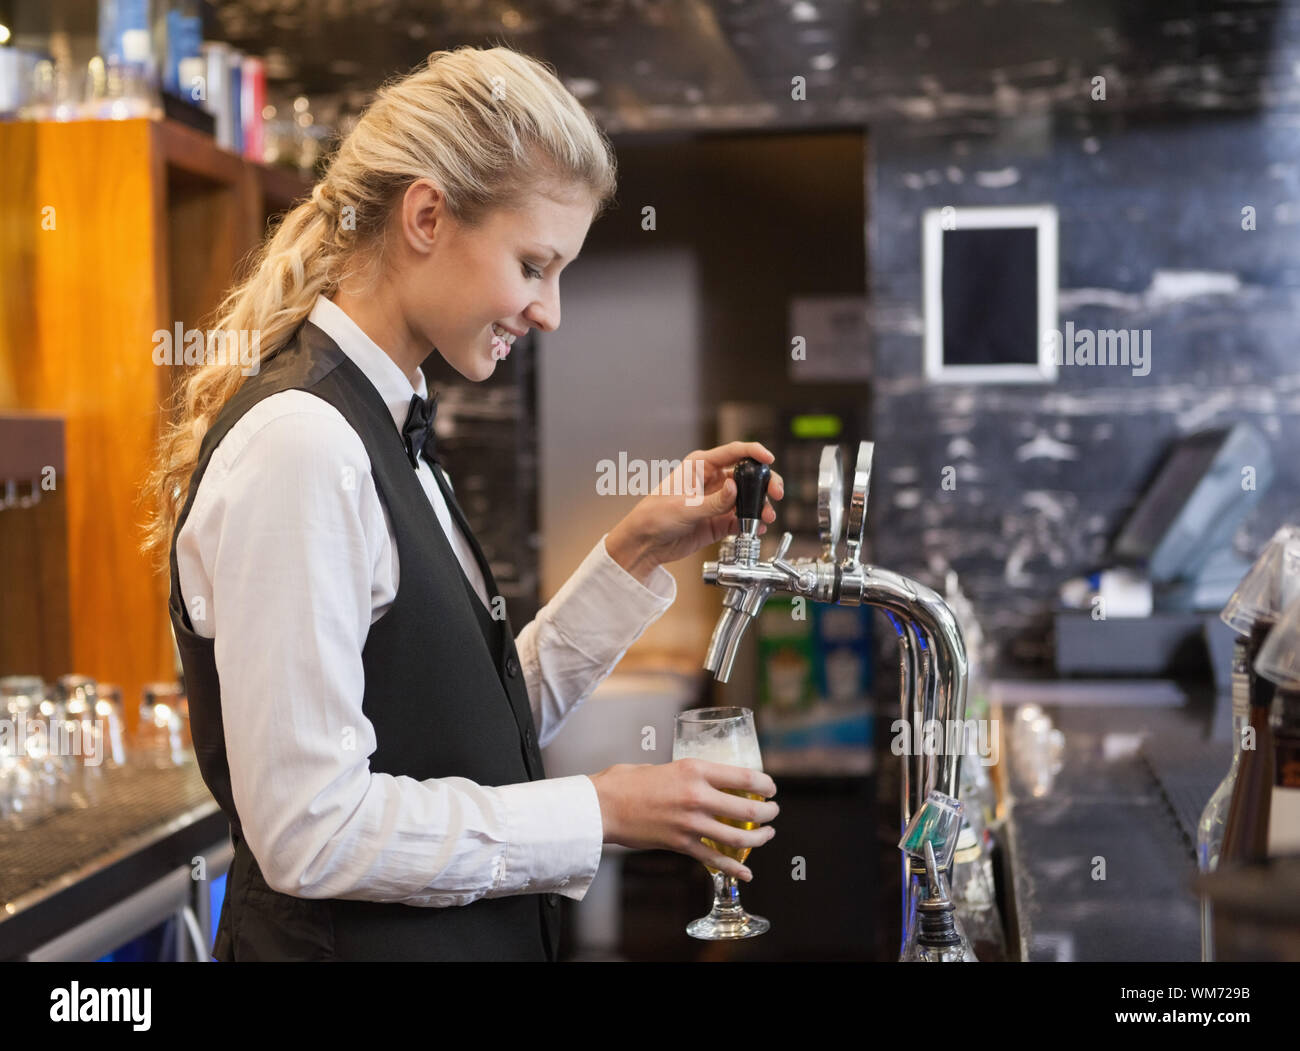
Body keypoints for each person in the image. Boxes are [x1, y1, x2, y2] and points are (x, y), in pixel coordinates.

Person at [139, 44, 784, 961]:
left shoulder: (387, 422)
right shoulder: (304, 442)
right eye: (534, 264)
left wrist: (634, 553)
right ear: (428, 215)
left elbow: (461, 720)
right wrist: (596, 810)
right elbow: (311, 830)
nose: (550, 311)